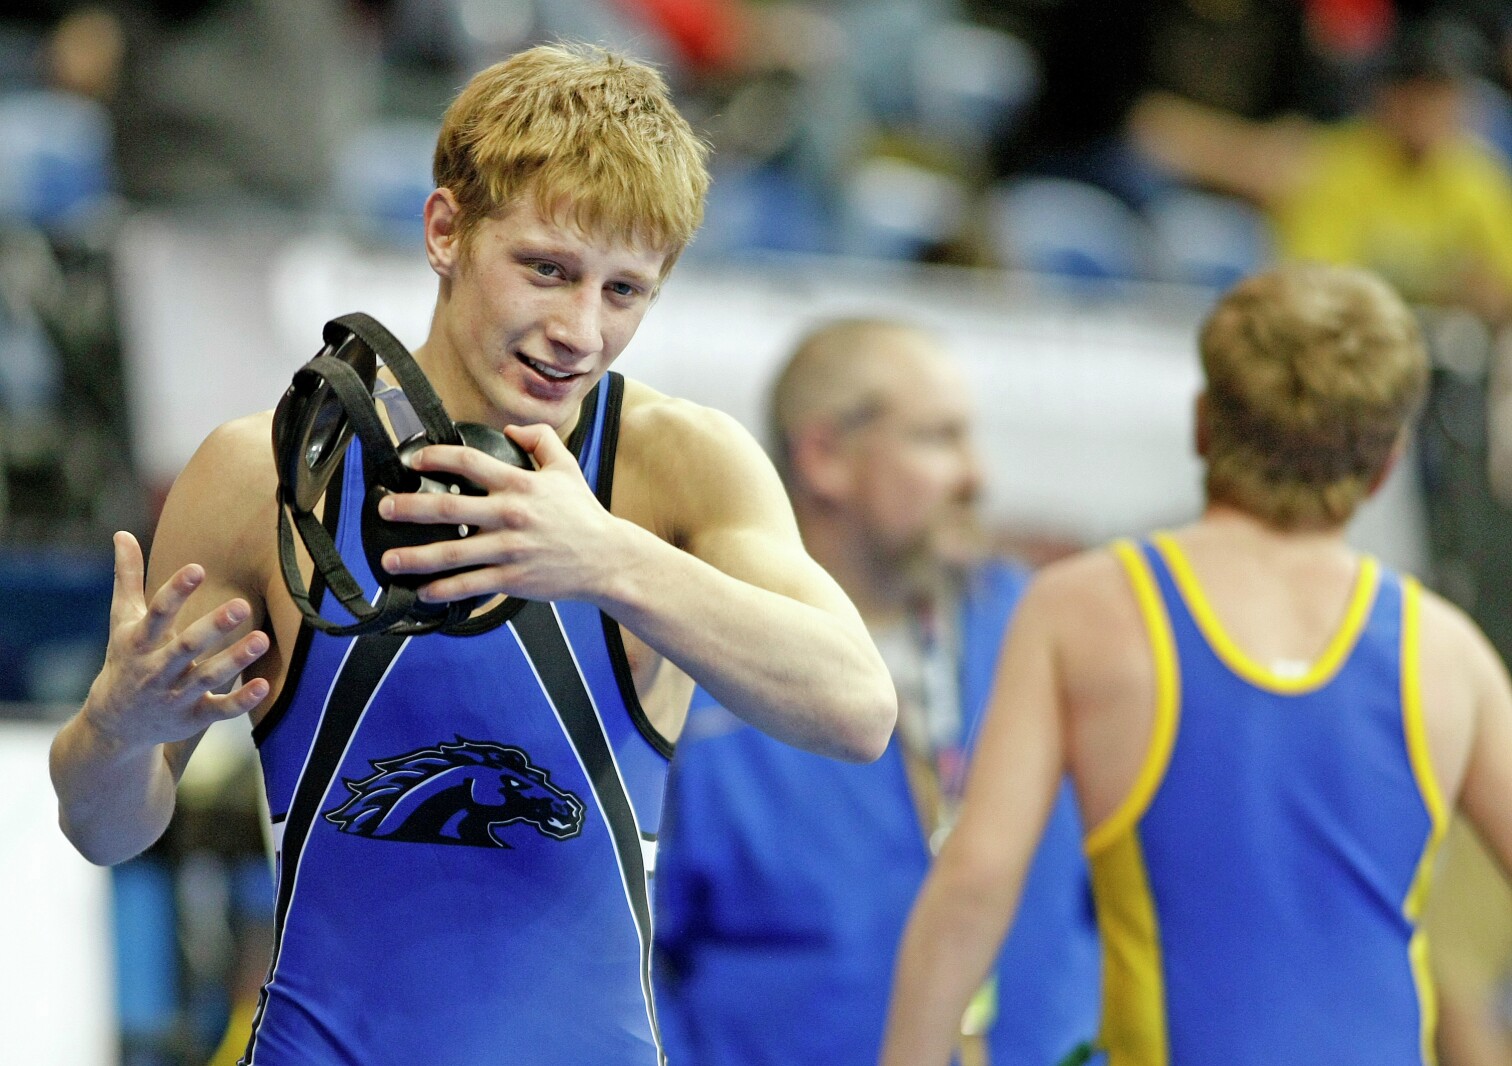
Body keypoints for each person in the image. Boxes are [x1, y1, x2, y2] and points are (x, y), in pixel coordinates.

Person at [47, 42, 896, 1066]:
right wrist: (117, 727)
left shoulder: (676, 468)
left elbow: (858, 709)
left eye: (625, 292)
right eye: (547, 269)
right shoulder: (264, 474)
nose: (580, 330)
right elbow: (104, 828)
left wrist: (604, 558)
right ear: (446, 229)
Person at [879, 262, 1512, 1066]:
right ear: (1387, 465)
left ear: (1203, 424)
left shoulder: (1082, 609)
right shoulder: (1448, 653)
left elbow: (975, 885)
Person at [654, 319, 1100, 1066]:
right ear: (825, 457)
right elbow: (638, 952)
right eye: (937, 439)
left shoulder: (1047, 631)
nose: (977, 478)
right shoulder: (696, 666)